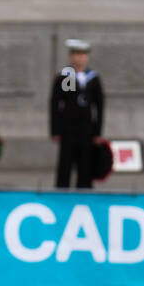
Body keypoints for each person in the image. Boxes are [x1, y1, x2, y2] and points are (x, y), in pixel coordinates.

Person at [49, 38, 103, 189]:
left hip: (86, 129)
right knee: (65, 164)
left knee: (85, 164)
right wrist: (56, 129)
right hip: (68, 129)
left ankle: (84, 192)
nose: (79, 58)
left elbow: (99, 106)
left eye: (83, 55)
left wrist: (97, 132)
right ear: (71, 56)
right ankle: (62, 193)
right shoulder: (66, 77)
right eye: (76, 54)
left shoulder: (93, 78)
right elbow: (56, 103)